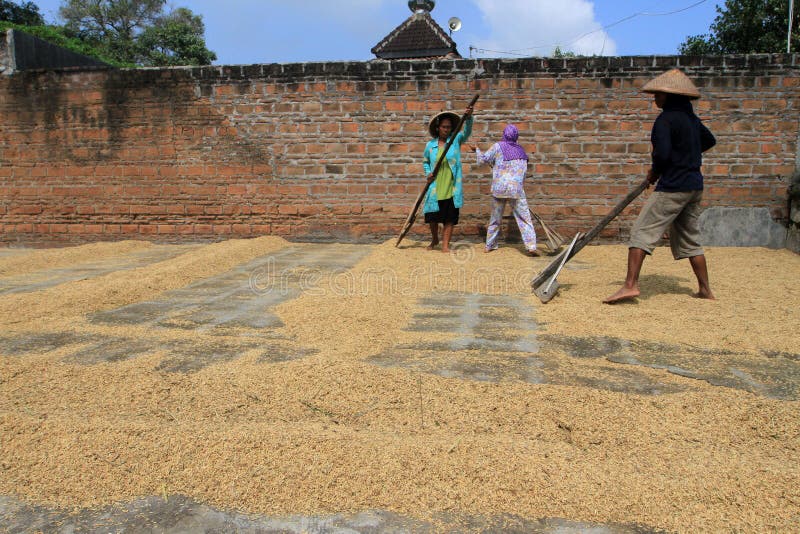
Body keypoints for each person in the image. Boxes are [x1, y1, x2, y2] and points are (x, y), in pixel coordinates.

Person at [604, 68, 717, 304]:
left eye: (658, 95)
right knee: (690, 237)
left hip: (673, 186)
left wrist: (656, 172)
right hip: (694, 186)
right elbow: (709, 140)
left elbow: (663, 155)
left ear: (670, 96)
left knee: (641, 231)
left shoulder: (665, 120)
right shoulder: (691, 120)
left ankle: (630, 285)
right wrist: (686, 155)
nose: (655, 98)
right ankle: (705, 290)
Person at [467, 124, 540, 256]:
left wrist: (476, 150)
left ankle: (490, 245)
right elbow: (523, 173)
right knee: (524, 218)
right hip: (516, 189)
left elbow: (483, 160)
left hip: (499, 188)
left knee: (495, 218)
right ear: (516, 136)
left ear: (504, 134)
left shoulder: (498, 146)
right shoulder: (522, 152)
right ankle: (531, 246)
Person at [422, 104, 474, 253]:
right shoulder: (430, 146)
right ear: (438, 128)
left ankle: (445, 245)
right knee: (432, 218)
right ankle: (434, 239)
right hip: (435, 187)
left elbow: (467, 132)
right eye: (444, 127)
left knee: (449, 218)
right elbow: (425, 162)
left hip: (451, 186)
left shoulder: (455, 140)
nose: (446, 129)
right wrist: (428, 173)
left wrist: (469, 118)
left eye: (449, 127)